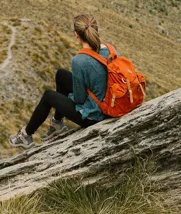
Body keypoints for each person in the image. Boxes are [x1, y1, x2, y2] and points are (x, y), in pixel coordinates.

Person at [9, 13, 110, 148]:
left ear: (76, 35)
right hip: (109, 103)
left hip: (94, 116)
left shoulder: (79, 61)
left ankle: (25, 136)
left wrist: (68, 98)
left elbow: (79, 99)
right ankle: (57, 123)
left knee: (48, 96)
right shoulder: (109, 49)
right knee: (61, 74)